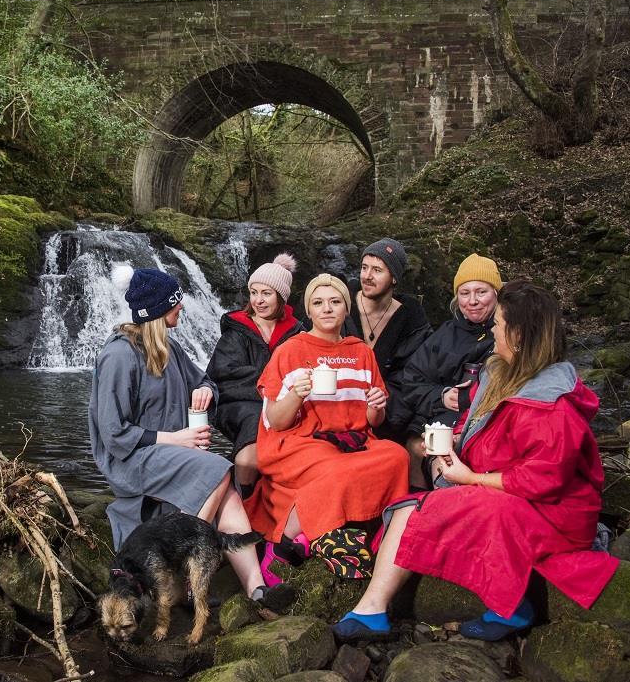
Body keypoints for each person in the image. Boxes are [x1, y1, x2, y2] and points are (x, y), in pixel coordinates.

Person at [333, 280, 620, 642]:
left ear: (518, 335)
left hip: (552, 514)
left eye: (498, 323)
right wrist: (455, 442)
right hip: (518, 495)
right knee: (418, 504)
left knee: (417, 511)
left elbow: (542, 481)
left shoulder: (551, 406)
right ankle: (381, 610)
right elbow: (484, 429)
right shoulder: (503, 373)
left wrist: (470, 478)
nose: (492, 330)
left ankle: (377, 610)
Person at [89, 265, 292, 608]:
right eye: (175, 302)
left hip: (168, 455)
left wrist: (205, 390)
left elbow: (206, 380)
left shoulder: (170, 347)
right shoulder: (118, 356)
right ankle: (181, 568)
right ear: (157, 310)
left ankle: (257, 589)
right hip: (131, 458)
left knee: (227, 491)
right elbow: (113, 433)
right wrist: (176, 439)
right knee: (217, 470)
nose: (181, 306)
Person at [245, 274, 409, 584]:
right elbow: (275, 421)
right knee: (334, 468)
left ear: (347, 308)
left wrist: (376, 404)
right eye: (318, 303)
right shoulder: (290, 351)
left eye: (335, 302)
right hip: (302, 441)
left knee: (397, 456)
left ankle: (338, 534)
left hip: (354, 441)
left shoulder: (361, 351)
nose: (327, 309)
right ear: (309, 310)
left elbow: (373, 421)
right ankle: (284, 544)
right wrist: (296, 395)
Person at [395, 253, 502, 488]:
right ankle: (420, 501)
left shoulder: (507, 332)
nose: (472, 301)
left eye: (481, 292)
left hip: (488, 423)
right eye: (465, 293)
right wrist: (442, 396)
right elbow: (412, 382)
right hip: (441, 419)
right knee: (414, 447)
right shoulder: (444, 335)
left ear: (496, 293)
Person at [207, 254, 305, 497]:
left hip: (287, 403)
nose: (258, 300)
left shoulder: (296, 332)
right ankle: (244, 499)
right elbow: (224, 374)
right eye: (253, 292)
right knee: (256, 422)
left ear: (281, 296)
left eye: (266, 294)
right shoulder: (237, 330)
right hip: (240, 402)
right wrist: (271, 388)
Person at [343, 239, 433, 441]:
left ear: (394, 277)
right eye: (364, 267)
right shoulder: (341, 305)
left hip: (389, 413)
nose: (367, 276)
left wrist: (381, 404)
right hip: (340, 406)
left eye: (377, 270)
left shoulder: (410, 318)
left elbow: (414, 375)